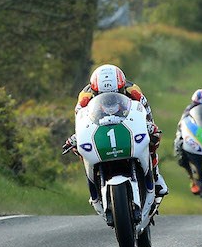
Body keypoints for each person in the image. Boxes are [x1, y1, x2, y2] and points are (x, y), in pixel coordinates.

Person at [62, 64, 168, 215]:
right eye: (103, 95)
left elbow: (146, 112)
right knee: (80, 149)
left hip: (126, 123)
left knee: (151, 141)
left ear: (122, 88)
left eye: (115, 94)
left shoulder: (134, 92)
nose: (110, 101)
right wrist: (76, 138)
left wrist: (150, 126)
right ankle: (94, 184)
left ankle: (155, 175)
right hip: (99, 128)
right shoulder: (84, 98)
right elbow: (80, 121)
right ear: (95, 91)